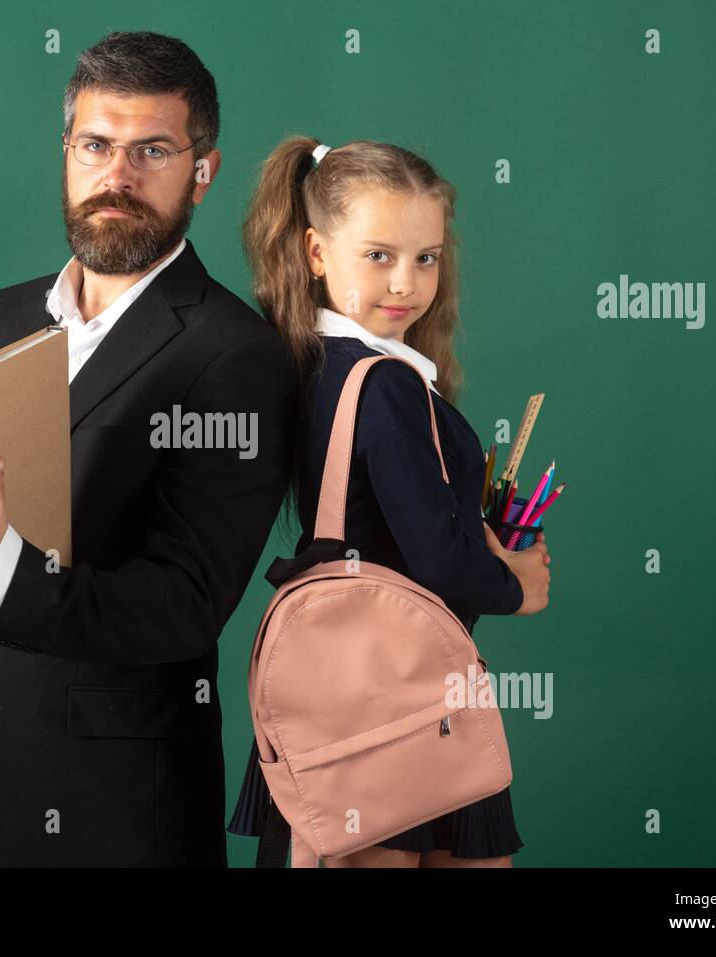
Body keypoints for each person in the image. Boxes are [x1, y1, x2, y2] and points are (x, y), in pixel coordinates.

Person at [0, 31, 296, 868]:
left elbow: (184, 603)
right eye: (96, 145)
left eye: (152, 150)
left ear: (203, 170)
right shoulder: (0, 318)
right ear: (68, 151)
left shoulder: (237, 355)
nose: (117, 176)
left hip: (113, 812)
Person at [226, 137, 551, 867]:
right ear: (316, 253)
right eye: (378, 256)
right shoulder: (388, 383)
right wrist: (515, 584)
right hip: (402, 708)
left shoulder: (315, 364)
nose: (406, 281)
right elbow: (436, 557)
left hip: (341, 699)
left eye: (426, 257)